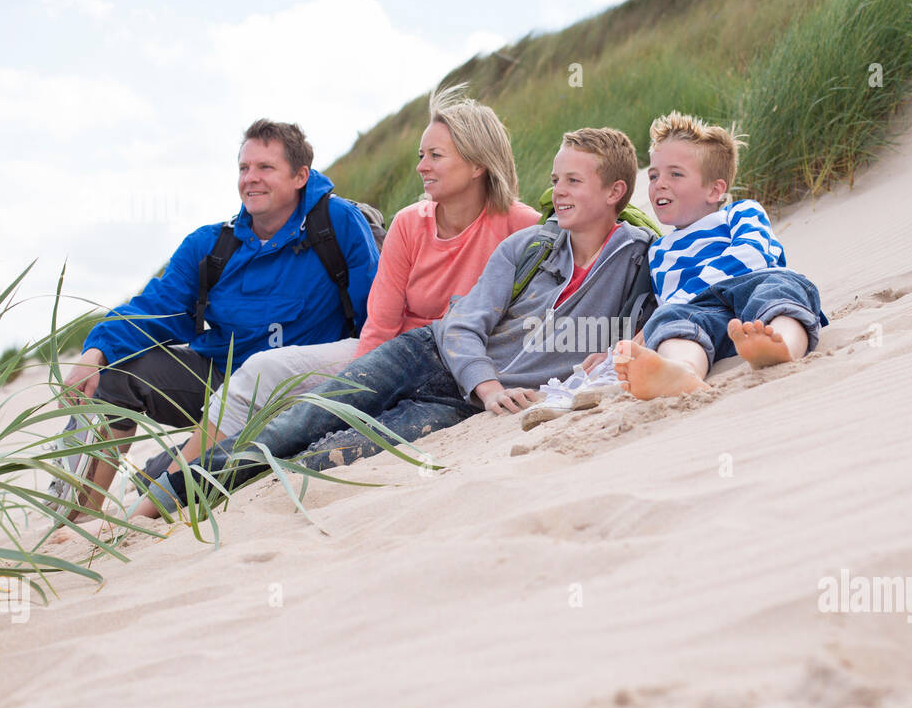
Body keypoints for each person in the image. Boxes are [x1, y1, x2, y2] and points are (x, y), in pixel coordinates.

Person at [139, 127, 653, 517]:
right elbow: (462, 323)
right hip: (426, 353)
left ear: (615, 192)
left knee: (335, 454)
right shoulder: (531, 245)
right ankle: (155, 503)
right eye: (556, 179)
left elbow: (647, 330)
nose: (558, 192)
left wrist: (608, 356)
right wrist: (488, 383)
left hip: (457, 402)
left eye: (574, 181)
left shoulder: (640, 261)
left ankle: (222, 508)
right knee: (299, 423)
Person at [130, 85, 540, 505]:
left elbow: (531, 318)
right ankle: (166, 489)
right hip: (393, 352)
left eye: (436, 155)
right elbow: (380, 321)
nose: (421, 167)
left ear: (476, 164)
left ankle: (189, 473)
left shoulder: (524, 227)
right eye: (421, 155)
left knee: (322, 446)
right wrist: (368, 383)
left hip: (466, 369)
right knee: (261, 373)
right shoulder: (408, 224)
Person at [54, 119, 380, 517]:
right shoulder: (211, 246)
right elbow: (155, 308)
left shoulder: (338, 224)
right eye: (244, 168)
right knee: (117, 375)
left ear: (300, 176)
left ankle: (159, 490)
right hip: (221, 377)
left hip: (301, 385)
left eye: (265, 168)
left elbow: (377, 315)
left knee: (171, 465)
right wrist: (96, 351)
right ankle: (78, 521)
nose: (250, 179)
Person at [614, 111, 828, 397]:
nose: (658, 184)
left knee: (782, 289)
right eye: (653, 176)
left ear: (714, 190)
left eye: (675, 174)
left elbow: (755, 254)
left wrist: (691, 292)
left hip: (753, 287)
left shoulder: (739, 212)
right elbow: (666, 300)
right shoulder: (658, 249)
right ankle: (682, 370)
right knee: (674, 323)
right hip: (703, 313)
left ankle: (783, 346)